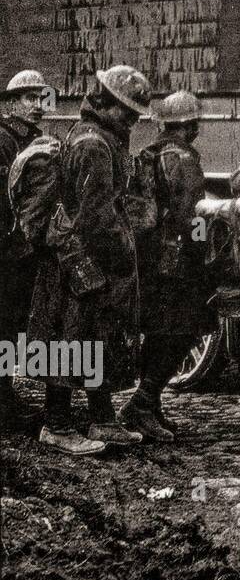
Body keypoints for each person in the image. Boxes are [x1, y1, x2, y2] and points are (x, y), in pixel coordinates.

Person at [31, 66, 153, 453]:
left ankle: (102, 420)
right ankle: (57, 426)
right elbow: (96, 216)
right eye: (128, 111)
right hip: (79, 261)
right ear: (108, 103)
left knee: (94, 339)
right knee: (69, 340)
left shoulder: (101, 138)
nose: (133, 119)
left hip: (87, 258)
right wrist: (123, 253)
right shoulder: (93, 145)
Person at [117, 91, 211, 441]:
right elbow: (191, 216)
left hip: (149, 257)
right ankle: (142, 404)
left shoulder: (150, 152)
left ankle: (150, 402)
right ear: (189, 125)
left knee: (160, 329)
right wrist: (206, 248)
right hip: (178, 260)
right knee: (181, 330)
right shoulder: (184, 158)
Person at [0, 70, 52, 430]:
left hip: (23, 247)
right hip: (6, 246)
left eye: (40, 98)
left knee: (16, 321)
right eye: (28, 98)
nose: (37, 105)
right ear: (11, 104)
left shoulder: (35, 139)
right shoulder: (4, 140)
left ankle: (6, 393)